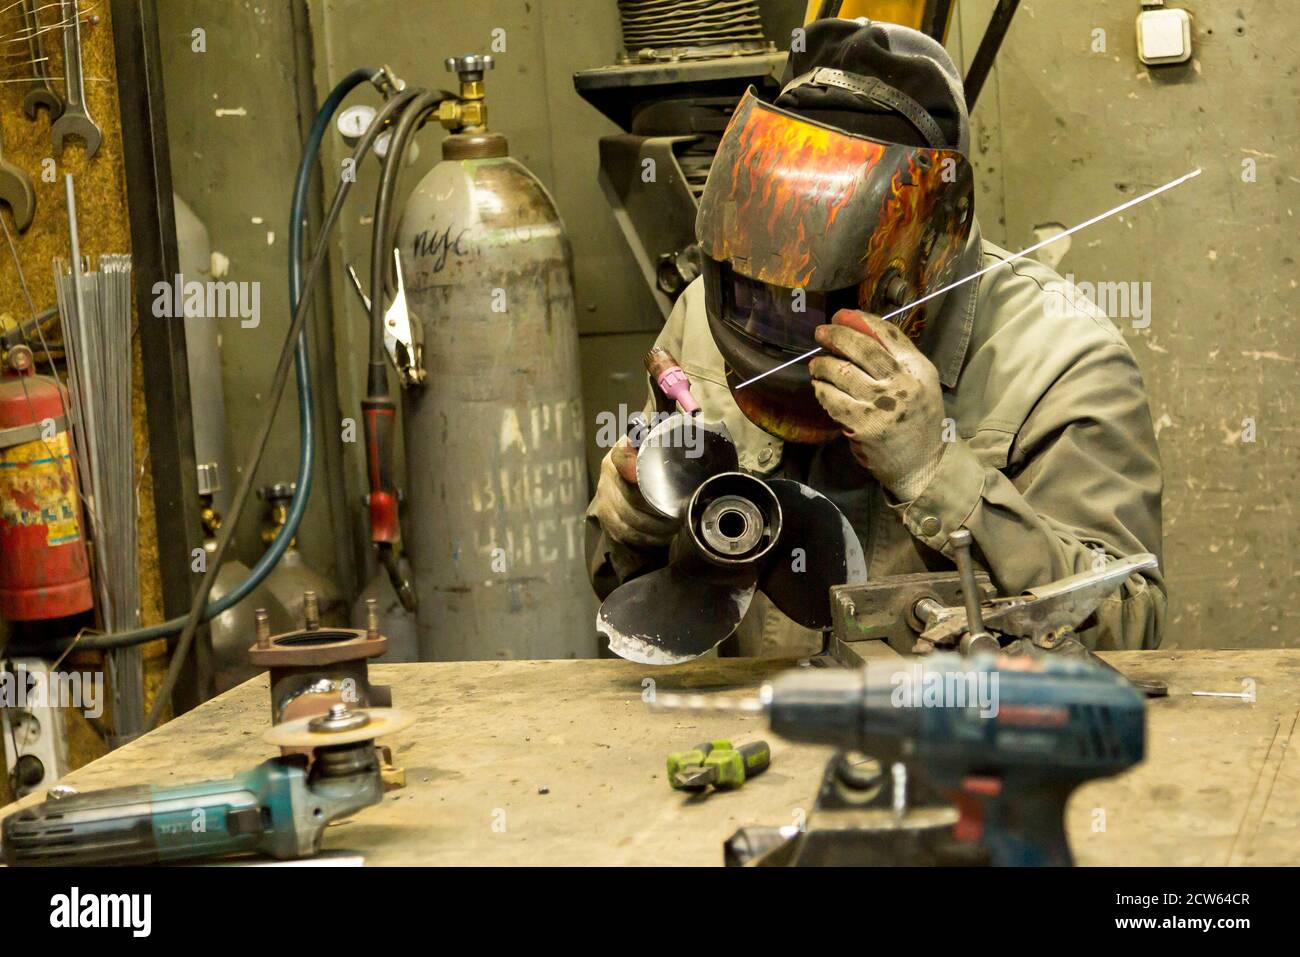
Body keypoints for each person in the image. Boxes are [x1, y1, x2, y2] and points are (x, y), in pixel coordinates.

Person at [587, 18, 1164, 657]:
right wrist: (631, 527)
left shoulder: (1059, 359)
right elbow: (631, 596)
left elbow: (1131, 629)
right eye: (763, 290)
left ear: (923, 249)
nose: (785, 321)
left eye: (824, 300)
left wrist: (936, 474)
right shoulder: (708, 309)